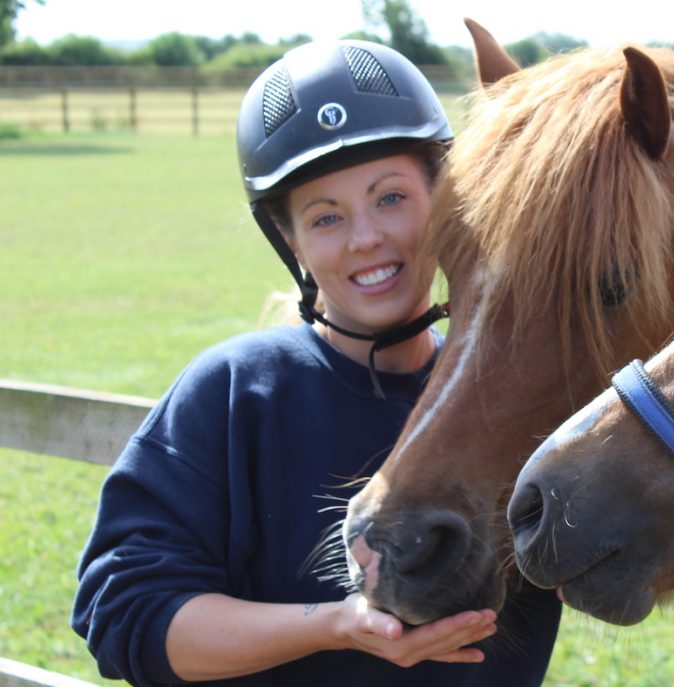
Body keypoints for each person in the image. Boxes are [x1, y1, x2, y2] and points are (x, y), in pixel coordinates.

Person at [71, 39, 561, 687]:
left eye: (390, 198)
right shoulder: (235, 392)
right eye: (326, 217)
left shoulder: (518, 396)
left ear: (443, 200)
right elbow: (125, 615)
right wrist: (333, 624)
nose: (366, 238)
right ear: (291, 242)